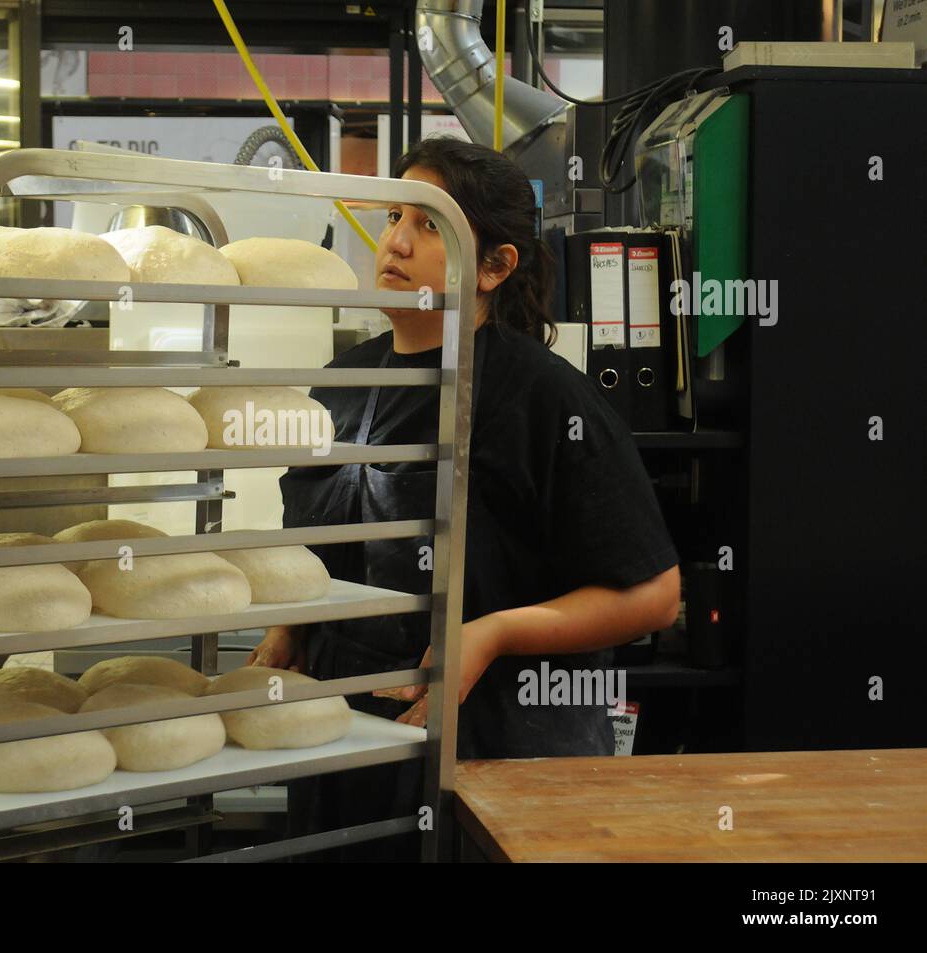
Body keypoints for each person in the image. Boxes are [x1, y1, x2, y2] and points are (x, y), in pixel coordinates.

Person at [253, 137, 681, 861]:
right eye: (395, 216)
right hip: (346, 748)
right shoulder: (342, 380)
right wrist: (295, 626)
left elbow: (655, 596)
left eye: (428, 225)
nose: (395, 240)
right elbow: (328, 549)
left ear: (494, 267)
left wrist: (492, 633)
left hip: (498, 752)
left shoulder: (545, 398)